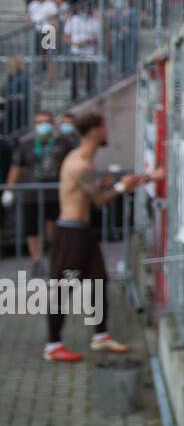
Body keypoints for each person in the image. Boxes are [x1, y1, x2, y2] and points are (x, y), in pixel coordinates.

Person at [44, 111, 151, 362]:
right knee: (63, 287)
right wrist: (122, 187)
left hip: (82, 232)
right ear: (95, 132)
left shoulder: (84, 161)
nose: (108, 132)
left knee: (98, 281)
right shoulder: (79, 163)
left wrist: (106, 185)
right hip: (71, 233)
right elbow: (99, 201)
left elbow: (87, 193)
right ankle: (53, 344)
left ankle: (101, 335)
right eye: (105, 127)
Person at [3, 109, 75, 273]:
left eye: (47, 122)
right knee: (32, 228)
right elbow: (17, 167)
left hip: (55, 193)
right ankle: (36, 260)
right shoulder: (26, 144)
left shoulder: (63, 143)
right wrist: (9, 189)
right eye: (40, 122)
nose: (44, 125)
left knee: (54, 227)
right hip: (31, 195)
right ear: (35, 125)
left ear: (53, 124)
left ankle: (54, 256)